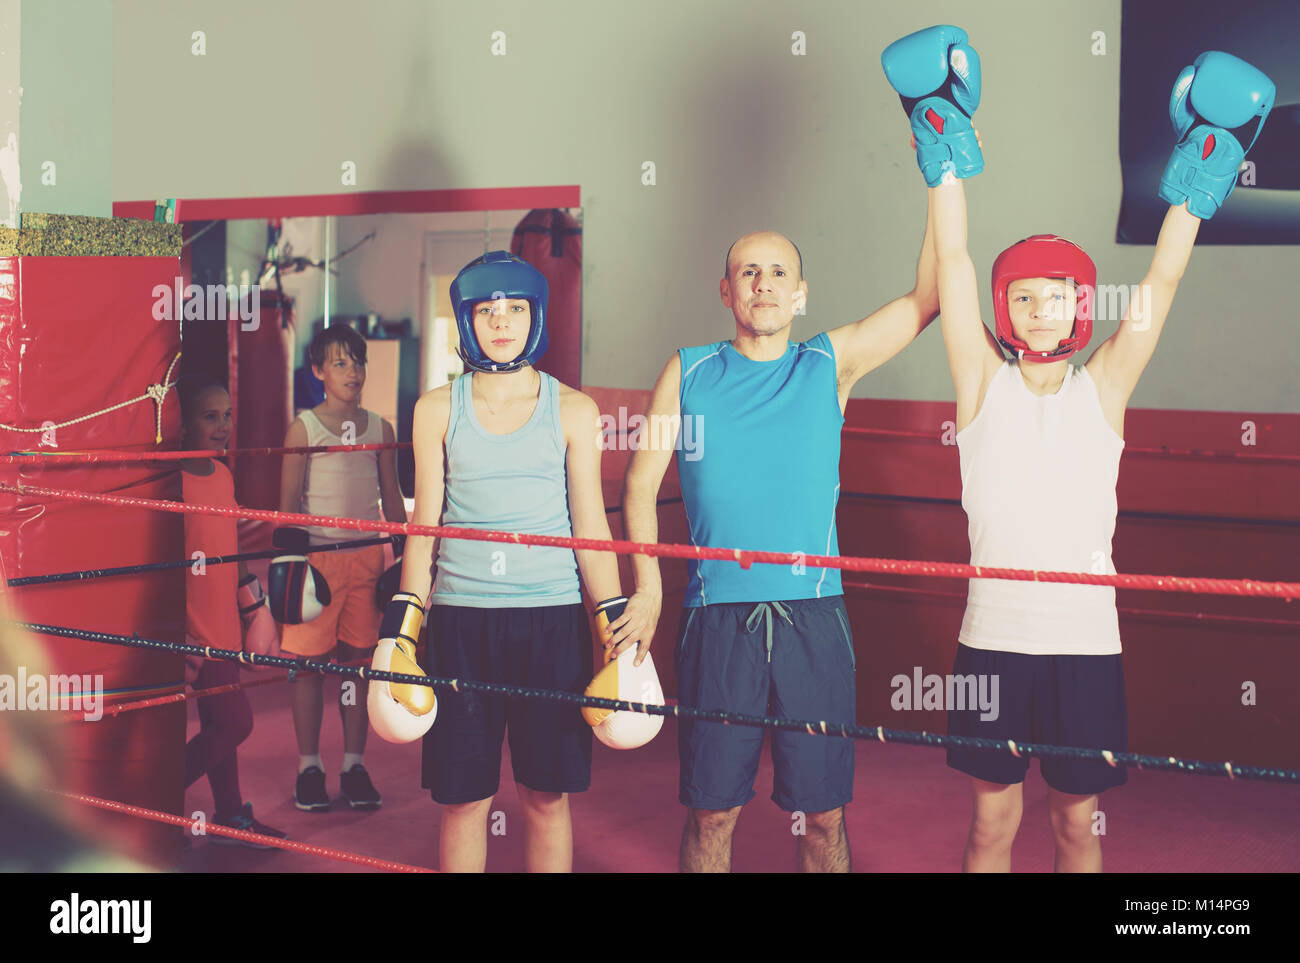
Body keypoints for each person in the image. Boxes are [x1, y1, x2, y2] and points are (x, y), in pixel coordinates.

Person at [903, 25, 1276, 871]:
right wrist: (941, 149)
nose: (1040, 311)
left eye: (1057, 298)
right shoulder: (980, 383)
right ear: (1007, 309)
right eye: (1025, 298)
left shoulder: (1104, 387)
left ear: (1080, 309)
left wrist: (1199, 177)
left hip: (1085, 646)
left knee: (1078, 827)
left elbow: (1163, 282)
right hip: (992, 640)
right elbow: (953, 260)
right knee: (991, 829)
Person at [620, 209, 940, 869]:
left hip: (815, 618)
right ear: (726, 290)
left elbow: (927, 299)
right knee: (712, 810)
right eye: (748, 271)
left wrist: (940, 176)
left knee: (823, 815)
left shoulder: (829, 362)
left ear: (800, 294)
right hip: (716, 617)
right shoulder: (688, 371)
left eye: (778, 273)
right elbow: (639, 483)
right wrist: (648, 587)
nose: (763, 284)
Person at [385, 251, 635, 873]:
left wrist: (614, 629)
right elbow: (425, 526)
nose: (502, 322)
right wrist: (401, 632)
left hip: (550, 622)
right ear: (467, 320)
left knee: (546, 794)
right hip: (460, 620)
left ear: (536, 317)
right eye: (487, 310)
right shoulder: (436, 409)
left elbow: (590, 526)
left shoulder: (574, 410)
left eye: (515, 309)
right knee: (465, 797)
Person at [275, 327, 408, 811]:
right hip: (317, 562)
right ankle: (309, 767)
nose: (352, 372)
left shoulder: (381, 429)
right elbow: (287, 505)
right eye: (339, 364)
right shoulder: (303, 428)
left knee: (357, 668)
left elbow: (392, 499)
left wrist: (407, 560)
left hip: (369, 559)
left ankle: (354, 765)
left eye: (357, 362)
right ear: (318, 372)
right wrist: (288, 568)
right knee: (308, 669)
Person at [179, 375, 286, 847]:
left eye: (227, 415)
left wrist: (252, 605)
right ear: (183, 423)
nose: (223, 426)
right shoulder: (172, 481)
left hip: (223, 623)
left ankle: (228, 815)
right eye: (209, 417)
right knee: (236, 723)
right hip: (193, 630)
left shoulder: (222, 474)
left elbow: (230, 548)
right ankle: (151, 800)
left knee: (219, 725)